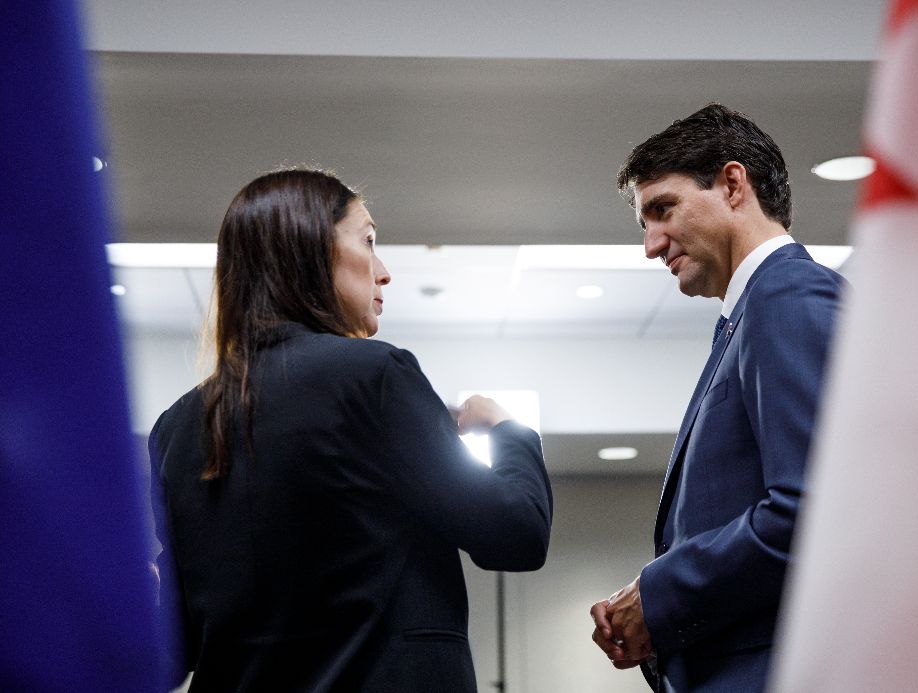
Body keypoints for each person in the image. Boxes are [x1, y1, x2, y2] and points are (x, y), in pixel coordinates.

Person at [149, 169, 553, 692]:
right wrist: (509, 431)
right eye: (368, 241)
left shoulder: (177, 426)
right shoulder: (375, 376)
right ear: (309, 252)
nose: (383, 272)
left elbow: (173, 646)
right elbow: (515, 535)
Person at [589, 104, 844, 692]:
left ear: (733, 184)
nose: (652, 245)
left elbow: (812, 510)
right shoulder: (752, 315)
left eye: (663, 209)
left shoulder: (787, 297)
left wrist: (658, 596)